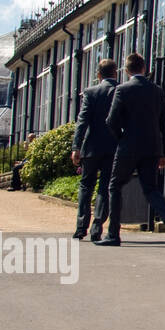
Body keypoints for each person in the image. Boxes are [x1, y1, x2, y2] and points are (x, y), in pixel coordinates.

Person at [100, 53, 165, 247]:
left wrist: (122, 138)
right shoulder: (157, 91)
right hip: (152, 147)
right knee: (150, 189)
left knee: (115, 186)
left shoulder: (122, 90)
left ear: (127, 71)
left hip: (128, 146)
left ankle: (113, 234)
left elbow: (111, 121)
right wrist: (164, 152)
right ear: (144, 68)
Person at [71, 59, 118, 241]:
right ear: (115, 73)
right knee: (104, 187)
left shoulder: (91, 92)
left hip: (91, 147)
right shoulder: (120, 91)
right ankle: (97, 228)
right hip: (113, 147)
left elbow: (82, 121)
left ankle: (81, 227)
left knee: (86, 186)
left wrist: (76, 147)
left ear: (98, 75)